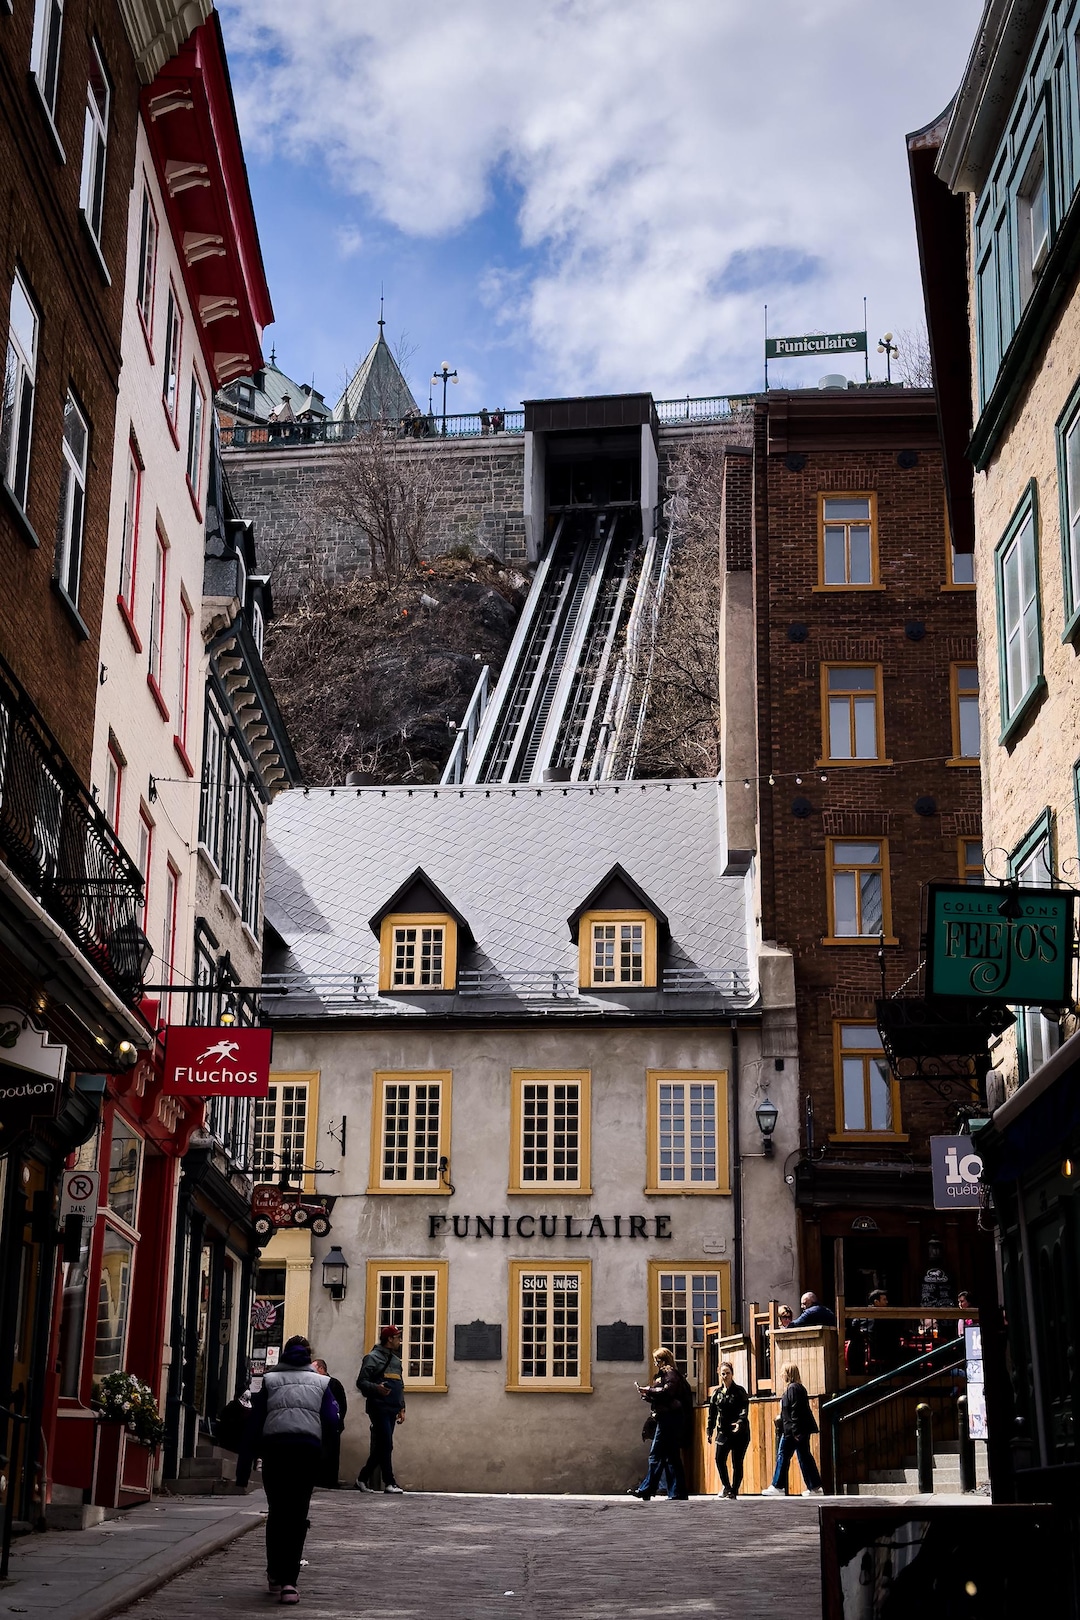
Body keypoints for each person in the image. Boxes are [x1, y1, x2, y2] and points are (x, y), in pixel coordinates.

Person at [236, 1334, 340, 1604]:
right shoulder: (322, 1382)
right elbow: (332, 1421)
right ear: (309, 1355)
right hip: (306, 1453)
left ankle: (274, 1573)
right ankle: (289, 1583)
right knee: (297, 1515)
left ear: (284, 1354)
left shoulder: (269, 1381)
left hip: (276, 1451)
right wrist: (325, 1456)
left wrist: (243, 1470)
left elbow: (254, 1424)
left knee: (278, 1513)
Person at [629, 1348, 691, 1501]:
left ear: (663, 1361)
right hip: (672, 1418)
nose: (656, 1363)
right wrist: (648, 1395)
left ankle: (647, 1489)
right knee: (671, 1457)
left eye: (657, 1360)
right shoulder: (671, 1374)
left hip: (668, 1419)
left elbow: (667, 1392)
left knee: (656, 1455)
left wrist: (648, 1390)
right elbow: (666, 1396)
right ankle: (677, 1492)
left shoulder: (669, 1373)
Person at [355, 1324, 407, 1493]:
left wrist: (402, 1407)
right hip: (378, 1406)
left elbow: (400, 1384)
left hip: (392, 1407)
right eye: (398, 1337)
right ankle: (389, 1482)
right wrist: (377, 1388)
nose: (400, 1341)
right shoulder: (372, 1358)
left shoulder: (395, 1360)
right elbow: (361, 1382)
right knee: (386, 1443)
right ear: (389, 1339)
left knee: (382, 1445)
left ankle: (362, 1478)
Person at [762, 1363, 824, 1497]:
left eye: (783, 1372)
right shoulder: (798, 1388)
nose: (781, 1375)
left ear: (788, 1374)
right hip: (799, 1429)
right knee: (804, 1456)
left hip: (793, 1431)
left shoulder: (793, 1388)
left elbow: (795, 1410)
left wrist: (795, 1431)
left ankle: (778, 1486)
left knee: (783, 1455)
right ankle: (815, 1487)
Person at [707, 1360, 750, 1500]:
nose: (725, 1376)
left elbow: (744, 1409)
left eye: (728, 1373)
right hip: (723, 1431)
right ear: (719, 1374)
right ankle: (726, 1486)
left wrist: (740, 1422)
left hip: (739, 1432)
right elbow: (712, 1413)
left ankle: (734, 1490)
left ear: (732, 1374)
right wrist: (709, 1430)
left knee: (737, 1462)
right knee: (719, 1459)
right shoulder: (717, 1393)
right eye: (723, 1374)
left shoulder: (739, 1391)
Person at [312, 1358, 348, 1488]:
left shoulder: (333, 1384)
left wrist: (338, 1420)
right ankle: (319, 1479)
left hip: (332, 1425)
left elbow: (341, 1404)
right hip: (318, 1424)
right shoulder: (315, 1384)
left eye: (314, 1369)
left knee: (331, 1453)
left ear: (321, 1369)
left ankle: (330, 1480)